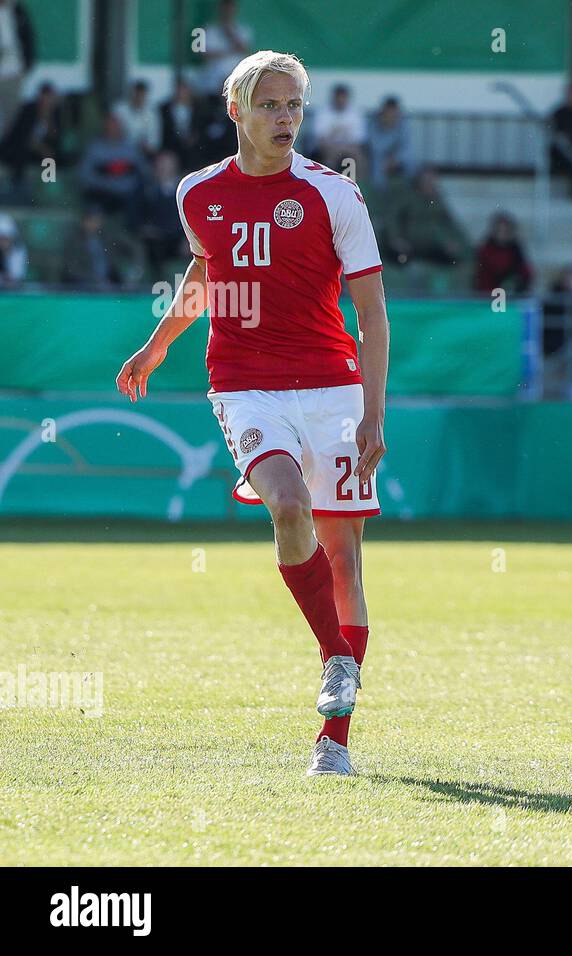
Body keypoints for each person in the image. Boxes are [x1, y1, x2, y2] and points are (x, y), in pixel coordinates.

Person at [115, 50, 390, 778]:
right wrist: (158, 344)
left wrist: (371, 414)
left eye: (294, 105)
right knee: (288, 506)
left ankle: (335, 741)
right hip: (244, 381)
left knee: (344, 558)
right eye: (270, 105)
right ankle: (336, 655)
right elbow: (208, 272)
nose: (286, 118)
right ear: (237, 111)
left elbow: (371, 315)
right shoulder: (197, 192)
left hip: (332, 385)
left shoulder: (336, 196)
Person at [383, 164, 470, 269]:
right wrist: (395, 238)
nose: (431, 185)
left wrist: (452, 242)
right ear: (419, 182)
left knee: (454, 261)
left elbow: (450, 224)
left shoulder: (438, 202)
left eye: (433, 182)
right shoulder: (408, 198)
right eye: (427, 182)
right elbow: (393, 218)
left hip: (432, 246)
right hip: (409, 245)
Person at [79, 114, 148, 217]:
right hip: (103, 193)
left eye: (116, 127)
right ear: (104, 129)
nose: (113, 130)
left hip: (128, 194)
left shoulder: (131, 148)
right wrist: (106, 183)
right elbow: (84, 174)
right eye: (110, 127)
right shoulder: (95, 149)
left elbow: (144, 171)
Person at [473, 212, 533, 295]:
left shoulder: (516, 250)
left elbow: (526, 273)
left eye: (505, 230)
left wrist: (517, 280)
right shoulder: (486, 250)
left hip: (511, 297)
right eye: (500, 230)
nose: (502, 234)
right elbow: (484, 275)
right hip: (488, 295)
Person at [312, 83, 365, 175]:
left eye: (343, 97)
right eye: (338, 97)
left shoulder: (355, 114)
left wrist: (341, 149)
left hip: (349, 149)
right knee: (329, 154)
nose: (340, 100)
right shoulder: (323, 112)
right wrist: (337, 149)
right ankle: (329, 184)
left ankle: (356, 185)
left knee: (359, 156)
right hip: (327, 149)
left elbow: (358, 142)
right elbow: (321, 141)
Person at [0, 0, 34, 141]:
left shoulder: (16, 9)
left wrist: (26, 65)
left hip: (13, 72)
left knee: (11, 117)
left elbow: (28, 36)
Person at [366, 96, 413, 189]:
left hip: (396, 158)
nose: (391, 116)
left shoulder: (403, 123)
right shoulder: (373, 122)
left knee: (410, 162)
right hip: (377, 157)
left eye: (394, 114)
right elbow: (375, 147)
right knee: (378, 164)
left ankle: (409, 190)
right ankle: (380, 192)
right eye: (388, 113)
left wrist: (395, 159)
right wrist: (386, 128)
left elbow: (407, 147)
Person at [113, 80, 162, 156]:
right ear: (132, 93)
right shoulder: (119, 108)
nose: (139, 97)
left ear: (146, 95)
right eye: (137, 93)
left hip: (141, 154)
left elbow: (154, 141)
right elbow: (111, 133)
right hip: (119, 150)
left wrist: (147, 146)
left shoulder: (151, 113)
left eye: (142, 94)